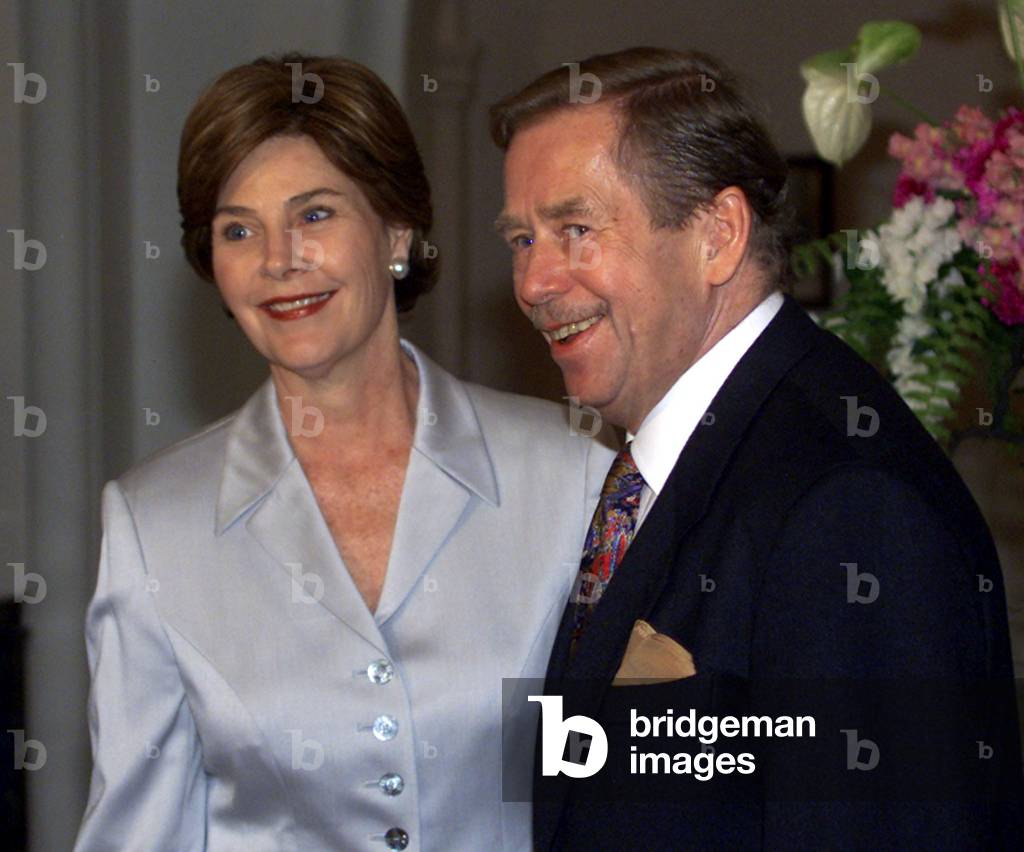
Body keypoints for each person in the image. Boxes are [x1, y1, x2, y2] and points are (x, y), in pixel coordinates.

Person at [74, 53, 613, 852]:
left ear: (396, 232)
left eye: (316, 214)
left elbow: (623, 795)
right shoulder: (153, 524)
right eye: (238, 229)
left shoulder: (572, 474)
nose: (278, 259)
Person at [490, 47, 1023, 849]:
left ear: (717, 236)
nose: (534, 282)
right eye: (521, 240)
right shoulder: (660, 469)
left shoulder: (848, 505)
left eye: (575, 229)